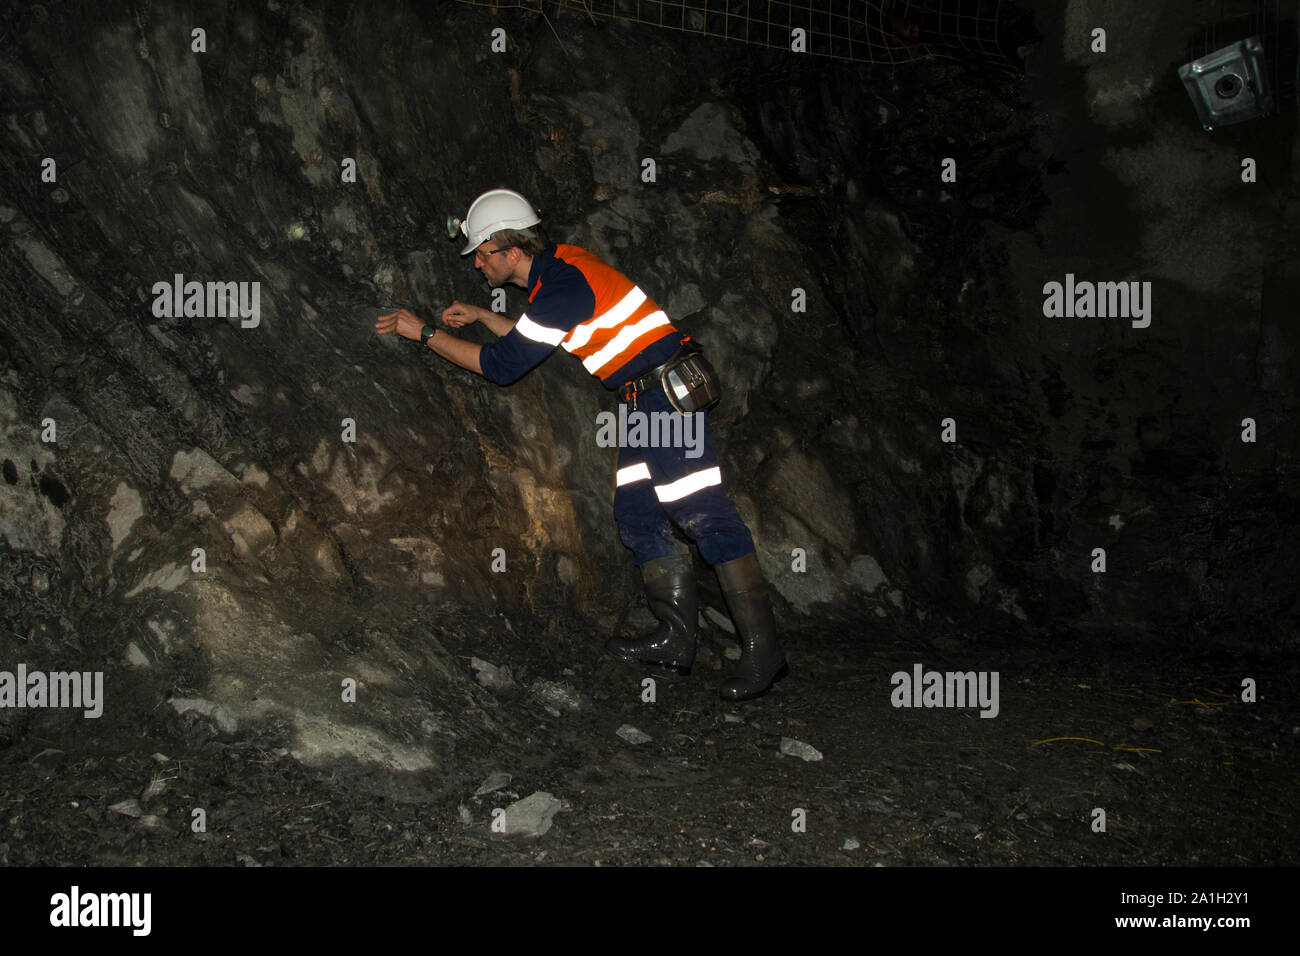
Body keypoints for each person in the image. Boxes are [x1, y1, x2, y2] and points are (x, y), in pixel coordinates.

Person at [374, 188, 786, 700]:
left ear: (511, 251)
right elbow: (557, 337)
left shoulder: (561, 287)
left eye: (482, 254)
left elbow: (501, 366)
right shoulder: (560, 269)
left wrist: (426, 333)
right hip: (645, 399)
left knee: (700, 510)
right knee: (637, 511)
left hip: (665, 394)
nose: (477, 264)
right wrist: (483, 316)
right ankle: (677, 639)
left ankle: (765, 654)